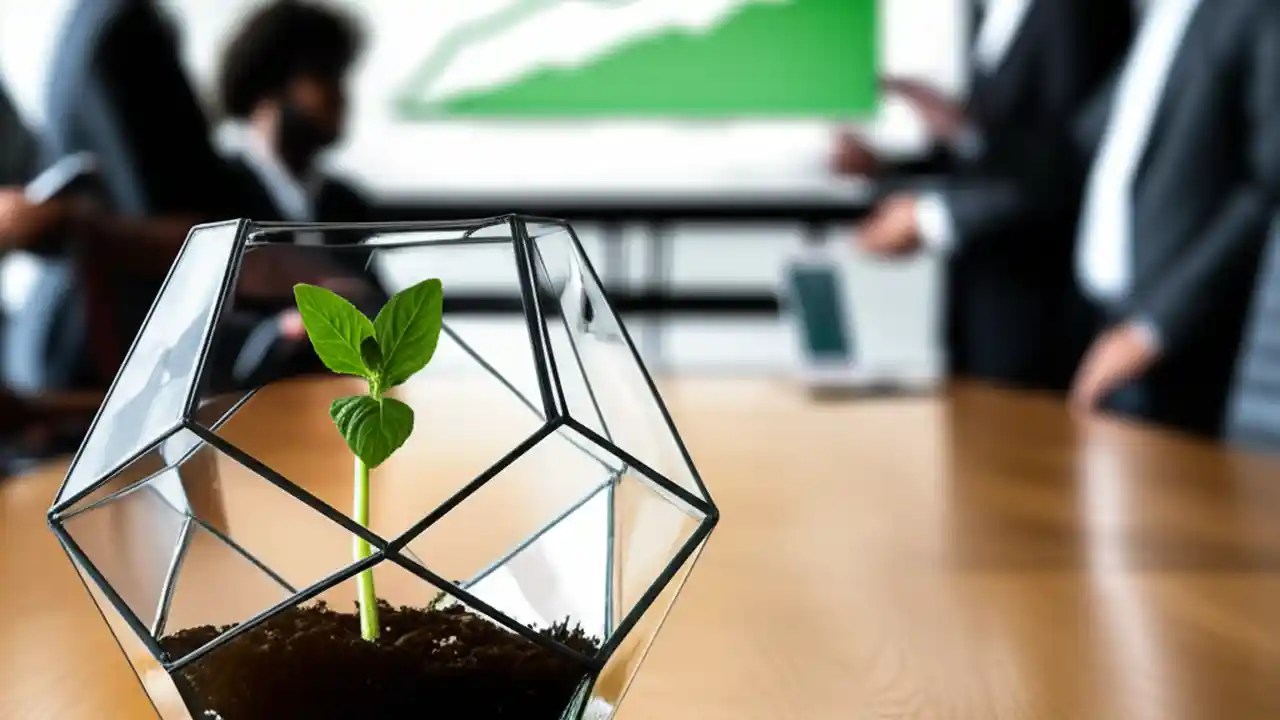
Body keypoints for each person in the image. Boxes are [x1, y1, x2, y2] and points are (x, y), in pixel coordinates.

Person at [867, 0, 1280, 437]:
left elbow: (1264, 189)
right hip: (1097, 320)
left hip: (1172, 341)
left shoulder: (1251, 12)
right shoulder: (1163, 18)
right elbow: (1071, 152)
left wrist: (1152, 327)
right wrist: (951, 139)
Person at [843, 0, 1133, 390]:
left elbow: (1063, 166)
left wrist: (931, 218)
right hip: (978, 292)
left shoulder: (1077, 11)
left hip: (1037, 306)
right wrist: (887, 168)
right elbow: (997, 147)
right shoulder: (986, 12)